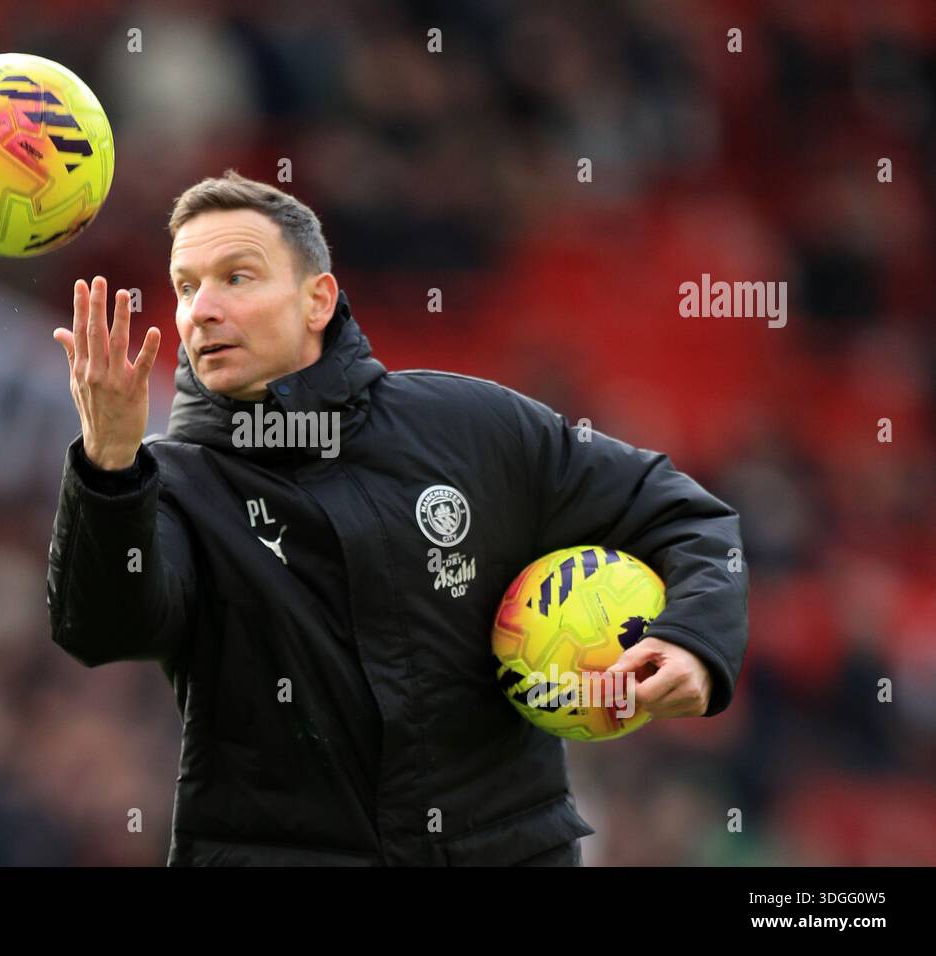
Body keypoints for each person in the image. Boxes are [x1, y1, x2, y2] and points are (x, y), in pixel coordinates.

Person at [46, 170, 748, 866]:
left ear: (317, 300)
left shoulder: (471, 425)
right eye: (186, 286)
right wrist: (108, 470)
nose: (201, 309)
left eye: (237, 277)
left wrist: (692, 640)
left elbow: (682, 517)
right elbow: (103, 629)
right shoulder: (169, 485)